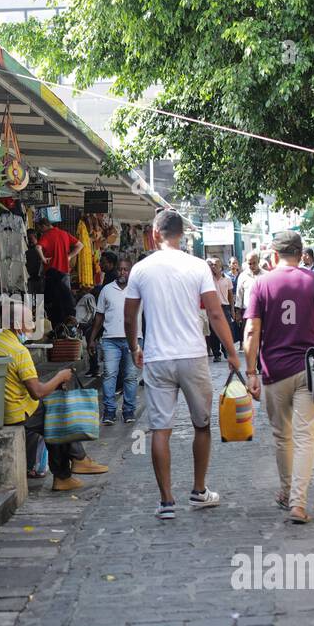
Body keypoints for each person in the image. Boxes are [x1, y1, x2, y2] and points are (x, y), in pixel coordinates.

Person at [125, 209, 241, 520]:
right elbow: (216, 314)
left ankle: (166, 502)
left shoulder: (140, 269)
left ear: (154, 233)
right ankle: (199, 490)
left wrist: (134, 345)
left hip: (157, 357)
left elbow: (129, 315)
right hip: (193, 355)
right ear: (182, 234)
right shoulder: (198, 266)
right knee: (201, 425)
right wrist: (232, 351)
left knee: (160, 430)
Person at [242, 230, 314, 525]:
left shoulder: (261, 284)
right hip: (310, 370)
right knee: (305, 437)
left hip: (274, 372)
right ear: (301, 255)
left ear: (273, 256)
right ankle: (297, 503)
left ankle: (287, 492)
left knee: (281, 436)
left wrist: (251, 372)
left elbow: (251, 331)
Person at [0, 303, 107, 491]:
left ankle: (68, 471)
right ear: (18, 325)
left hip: (1, 406)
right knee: (58, 416)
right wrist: (60, 376)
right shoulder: (19, 352)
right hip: (16, 412)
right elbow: (38, 392)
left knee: (52, 411)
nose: (33, 326)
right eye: (30, 322)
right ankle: (76, 462)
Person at [90, 256, 139, 424]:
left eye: (126, 269)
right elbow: (99, 316)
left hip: (133, 340)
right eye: (120, 269)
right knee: (109, 374)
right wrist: (92, 339)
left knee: (130, 376)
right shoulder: (106, 290)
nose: (122, 272)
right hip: (110, 340)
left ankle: (129, 411)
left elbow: (148, 316)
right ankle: (109, 412)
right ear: (115, 270)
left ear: (130, 271)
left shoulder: (137, 289)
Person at [37, 218, 84, 329]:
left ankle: (56, 325)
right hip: (64, 272)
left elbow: (38, 247)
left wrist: (43, 258)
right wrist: (69, 256)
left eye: (40, 229)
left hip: (52, 272)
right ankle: (67, 326)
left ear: (44, 226)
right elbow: (80, 245)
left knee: (53, 301)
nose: (41, 232)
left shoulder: (47, 235)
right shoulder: (64, 233)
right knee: (66, 299)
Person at [205, 256, 233, 361]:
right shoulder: (207, 279)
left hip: (225, 307)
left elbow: (230, 295)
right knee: (213, 331)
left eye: (216, 264)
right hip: (212, 306)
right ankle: (216, 354)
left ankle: (226, 351)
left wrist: (232, 310)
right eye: (211, 265)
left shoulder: (227, 279)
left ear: (220, 266)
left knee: (227, 330)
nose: (213, 267)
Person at [233, 252, 262, 346]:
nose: (252, 266)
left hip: (263, 311)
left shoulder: (266, 275)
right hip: (248, 311)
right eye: (250, 263)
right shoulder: (242, 276)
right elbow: (239, 295)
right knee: (249, 337)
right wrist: (237, 312)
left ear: (259, 261)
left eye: (254, 263)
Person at [25, 229, 46, 298]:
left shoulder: (40, 248)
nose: (29, 240)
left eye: (30, 238)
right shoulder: (26, 249)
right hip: (29, 278)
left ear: (35, 237)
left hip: (38, 278)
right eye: (27, 238)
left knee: (39, 299)